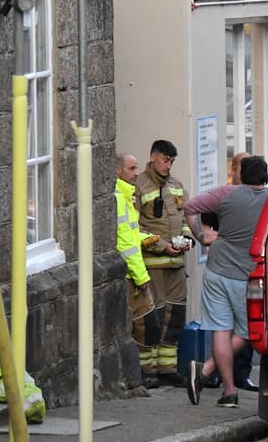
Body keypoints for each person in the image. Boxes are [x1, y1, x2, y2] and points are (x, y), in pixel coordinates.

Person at [184, 155, 268, 408]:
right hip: (249, 275)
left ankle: (229, 392)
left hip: (217, 270)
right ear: (265, 176)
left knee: (221, 330)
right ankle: (205, 371)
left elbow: (190, 207)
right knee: (247, 332)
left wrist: (202, 236)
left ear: (242, 174)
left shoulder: (225, 194)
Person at [135, 139, 194, 387]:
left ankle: (167, 369)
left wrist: (187, 239)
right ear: (153, 157)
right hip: (153, 265)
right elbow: (133, 228)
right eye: (165, 160)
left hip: (176, 265)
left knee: (175, 317)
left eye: (171, 161)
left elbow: (185, 219)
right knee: (152, 318)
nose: (168, 166)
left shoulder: (176, 186)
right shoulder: (139, 187)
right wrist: (160, 245)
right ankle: (147, 371)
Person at [200, 152, 259, 392]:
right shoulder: (220, 197)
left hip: (247, 269)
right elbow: (204, 227)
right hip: (225, 269)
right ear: (234, 170)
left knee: (243, 326)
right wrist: (211, 239)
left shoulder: (256, 196)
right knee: (225, 328)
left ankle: (240, 374)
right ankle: (215, 374)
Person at [116, 152, 159, 390]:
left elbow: (130, 235)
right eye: (131, 169)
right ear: (118, 171)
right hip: (130, 275)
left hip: (133, 272)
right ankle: (140, 375)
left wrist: (146, 238)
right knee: (144, 325)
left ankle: (144, 374)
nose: (136, 173)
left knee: (146, 325)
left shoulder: (126, 196)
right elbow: (125, 245)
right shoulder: (118, 198)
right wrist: (141, 277)